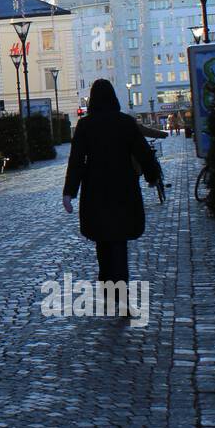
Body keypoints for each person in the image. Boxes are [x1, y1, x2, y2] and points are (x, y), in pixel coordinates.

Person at [61, 80, 162, 303]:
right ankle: (121, 287)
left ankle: (108, 287)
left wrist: (69, 191)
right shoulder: (125, 123)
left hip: (96, 190)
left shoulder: (85, 126)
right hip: (123, 187)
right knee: (120, 241)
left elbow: (76, 160)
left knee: (103, 240)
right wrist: (152, 176)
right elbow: (143, 153)